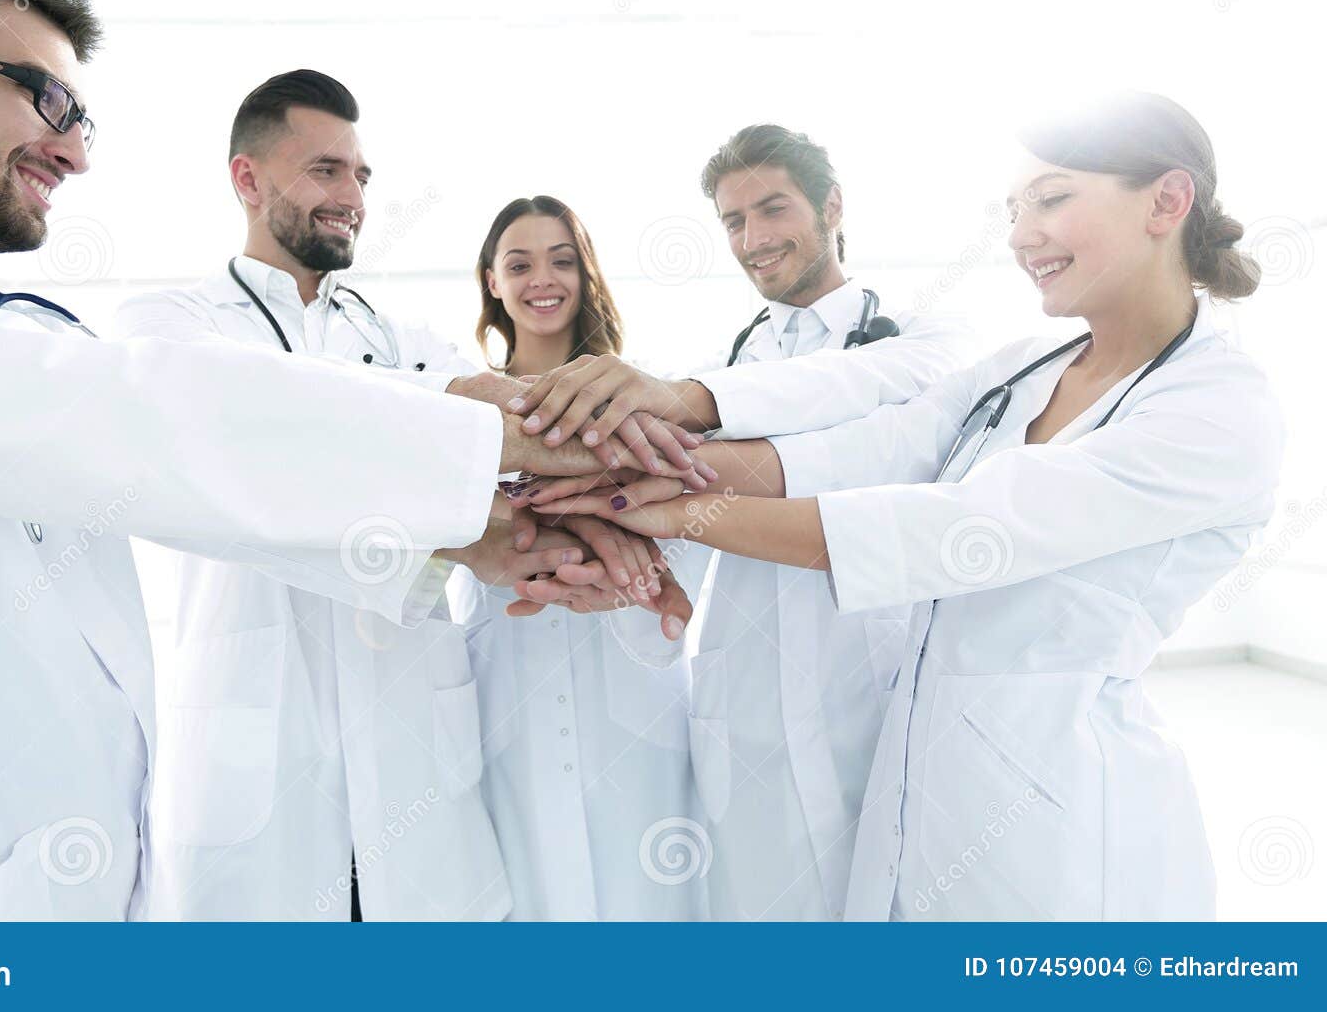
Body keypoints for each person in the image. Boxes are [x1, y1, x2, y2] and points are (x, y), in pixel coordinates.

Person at [0, 0, 644, 920]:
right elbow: (154, 417)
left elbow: (203, 481)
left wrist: (483, 542)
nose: (74, 149)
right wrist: (490, 424)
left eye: (82, 116)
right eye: (44, 96)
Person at [535, 92, 1284, 920]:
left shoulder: (1215, 408)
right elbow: (872, 447)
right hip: (922, 774)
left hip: (1066, 804)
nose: (1019, 235)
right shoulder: (1028, 364)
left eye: (1053, 199)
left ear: (1167, 202)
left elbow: (959, 528)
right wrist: (652, 478)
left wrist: (677, 507)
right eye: (1013, 210)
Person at [113, 74, 696, 919]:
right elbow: (249, 455)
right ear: (247, 180)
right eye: (325, 170)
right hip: (260, 762)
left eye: (360, 175)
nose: (351, 196)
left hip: (413, 766)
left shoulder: (397, 340)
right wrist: (454, 511)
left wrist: (627, 481)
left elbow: (502, 416)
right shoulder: (169, 325)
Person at [506, 126, 973, 919]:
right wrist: (630, 573)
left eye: (772, 209)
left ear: (830, 206)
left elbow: (841, 421)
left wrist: (685, 407)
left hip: (869, 685)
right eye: (732, 221)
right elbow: (691, 522)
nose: (753, 239)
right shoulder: (733, 358)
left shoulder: (920, 338)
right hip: (747, 701)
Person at [449, 195, 709, 920]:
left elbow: (696, 528)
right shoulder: (458, 416)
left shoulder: (649, 401)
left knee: (649, 903)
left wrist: (630, 546)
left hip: (632, 686)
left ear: (586, 274)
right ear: (492, 282)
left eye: (562, 260)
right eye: (520, 263)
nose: (543, 279)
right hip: (509, 689)